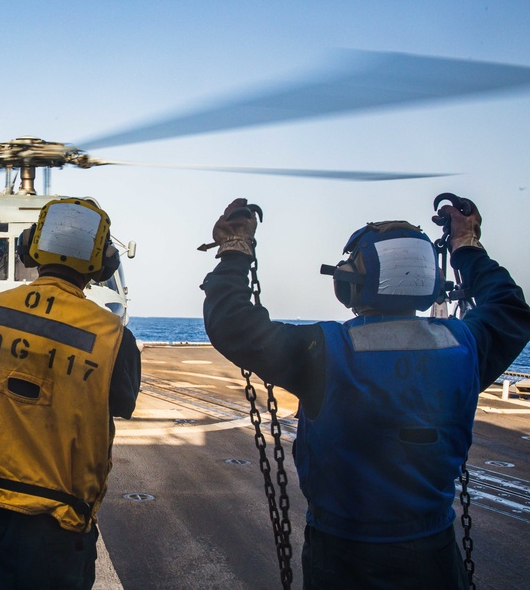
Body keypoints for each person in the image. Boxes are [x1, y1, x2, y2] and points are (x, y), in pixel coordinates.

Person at [200, 197, 530, 589]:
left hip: (343, 558)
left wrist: (236, 248)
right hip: (434, 554)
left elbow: (232, 322)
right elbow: (508, 308)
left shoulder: (326, 350)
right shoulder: (466, 345)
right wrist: (466, 244)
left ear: (352, 283)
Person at [0, 198, 141, 590]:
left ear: (28, 246)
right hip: (54, 528)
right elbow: (124, 403)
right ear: (105, 264)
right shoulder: (113, 336)